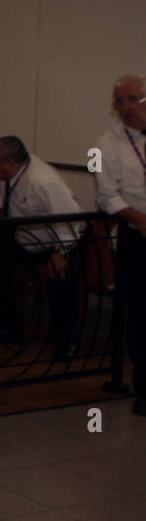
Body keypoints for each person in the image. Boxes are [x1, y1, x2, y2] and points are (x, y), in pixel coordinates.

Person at [0, 135, 83, 358]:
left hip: (59, 243)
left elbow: (69, 218)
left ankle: (66, 341)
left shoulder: (43, 180)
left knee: (62, 279)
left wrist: (61, 253)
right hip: (25, 240)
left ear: (11, 162)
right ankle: (11, 327)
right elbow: (3, 205)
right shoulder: (6, 176)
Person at [93, 74, 146, 415]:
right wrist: (140, 220)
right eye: (120, 102)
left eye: (133, 99)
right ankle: (145, 389)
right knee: (141, 313)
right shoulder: (106, 144)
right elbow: (106, 194)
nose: (126, 107)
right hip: (137, 235)